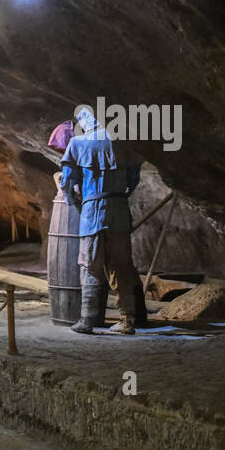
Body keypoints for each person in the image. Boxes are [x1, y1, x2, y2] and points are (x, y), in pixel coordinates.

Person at [61, 105, 142, 335]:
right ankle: (127, 321)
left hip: (91, 213)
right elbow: (134, 180)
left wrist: (76, 203)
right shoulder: (123, 143)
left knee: (90, 266)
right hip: (119, 213)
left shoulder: (77, 144)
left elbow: (66, 182)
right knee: (122, 267)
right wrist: (121, 196)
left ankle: (87, 320)